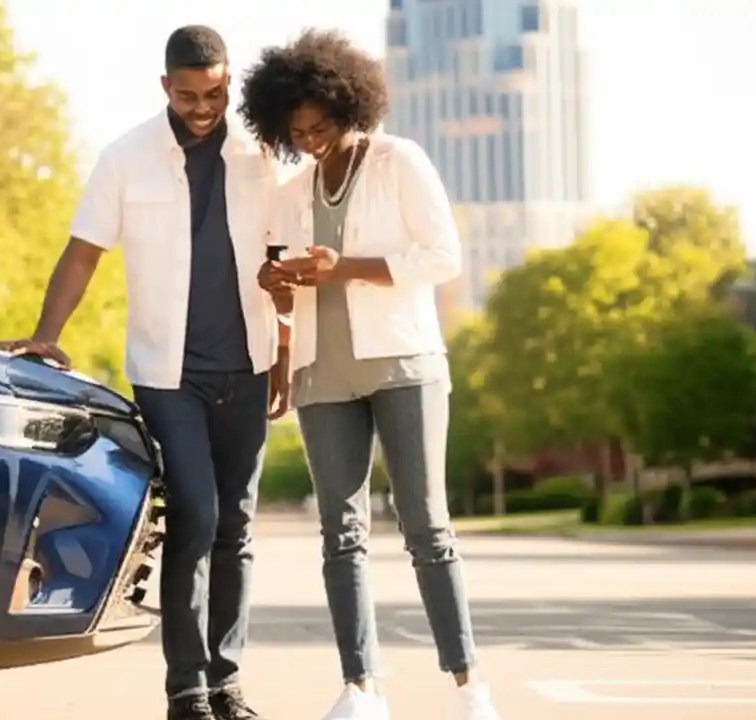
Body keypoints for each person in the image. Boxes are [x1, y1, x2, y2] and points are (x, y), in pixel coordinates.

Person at [0, 25, 289, 720]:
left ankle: (227, 682)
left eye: (214, 92)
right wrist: (46, 335)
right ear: (165, 87)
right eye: (188, 94)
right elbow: (83, 252)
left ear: (229, 80)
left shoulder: (260, 152)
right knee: (197, 513)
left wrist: (288, 348)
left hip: (248, 363)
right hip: (167, 372)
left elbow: (286, 258)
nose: (202, 106)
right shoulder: (125, 157)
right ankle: (186, 688)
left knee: (237, 527)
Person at [236, 29, 503, 720]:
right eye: (297, 131)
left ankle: (469, 686)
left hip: (403, 363)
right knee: (341, 532)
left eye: (320, 125)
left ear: (348, 105)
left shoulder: (398, 162)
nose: (311, 139)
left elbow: (443, 257)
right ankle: (362, 689)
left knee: (426, 527)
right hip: (323, 374)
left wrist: (344, 268)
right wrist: (279, 283)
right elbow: (293, 280)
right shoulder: (292, 191)